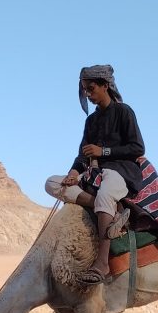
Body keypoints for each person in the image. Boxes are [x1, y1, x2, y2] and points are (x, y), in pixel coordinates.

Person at [45, 64, 146, 284]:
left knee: (106, 193)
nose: (88, 95)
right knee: (52, 183)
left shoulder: (124, 112)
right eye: (85, 91)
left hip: (122, 171)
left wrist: (104, 151)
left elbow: (137, 148)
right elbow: (83, 153)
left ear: (105, 85)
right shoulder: (90, 121)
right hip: (95, 173)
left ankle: (102, 263)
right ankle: (111, 211)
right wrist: (74, 171)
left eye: (91, 89)